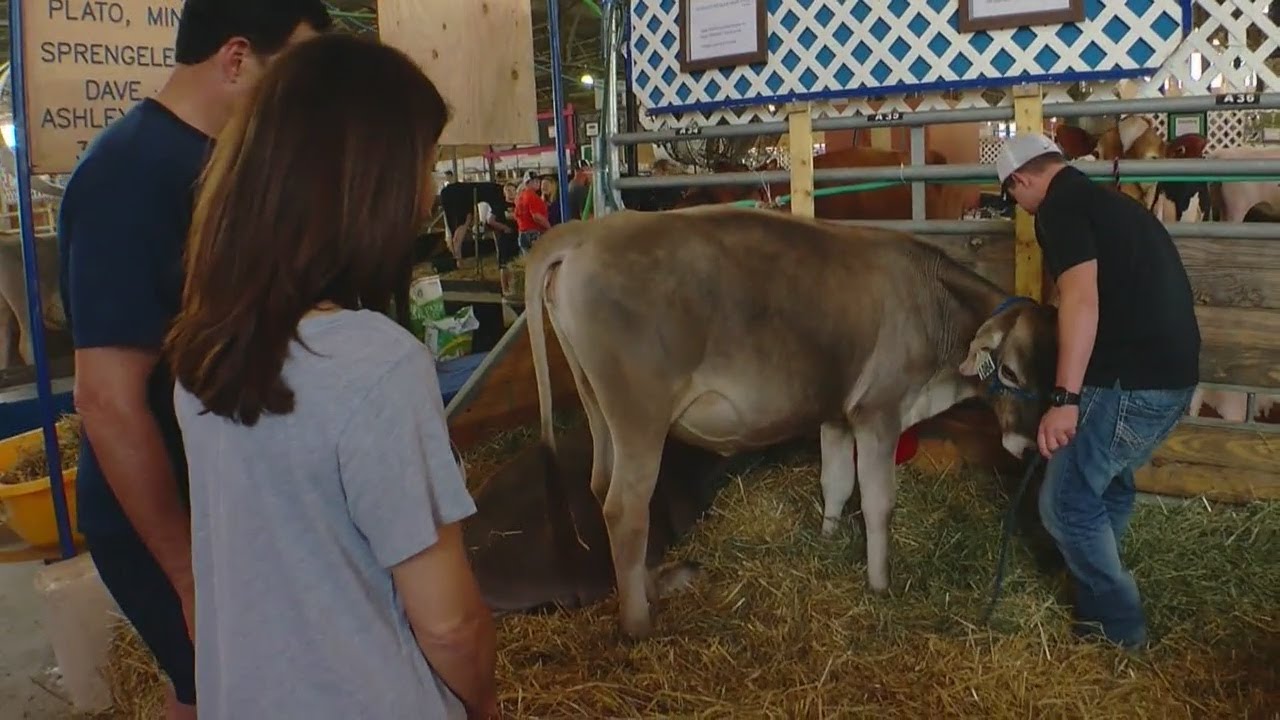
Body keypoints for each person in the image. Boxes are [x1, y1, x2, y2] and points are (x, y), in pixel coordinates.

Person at [165, 33, 498, 720]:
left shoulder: (205, 352)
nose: (429, 193)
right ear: (365, 184)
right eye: (423, 167)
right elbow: (449, 624)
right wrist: (486, 706)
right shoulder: (375, 366)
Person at [56, 3, 332, 717]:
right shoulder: (127, 175)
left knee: (226, 685)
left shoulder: (227, 165)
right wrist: (185, 571)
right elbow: (107, 398)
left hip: (227, 496)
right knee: (220, 686)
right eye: (291, 75)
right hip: (168, 509)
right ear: (236, 59)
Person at [996, 133, 1201, 651]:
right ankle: (1094, 604)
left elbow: (1081, 301)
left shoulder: (1058, 210)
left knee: (1064, 504)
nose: (1017, 208)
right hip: (1171, 375)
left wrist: (1064, 402)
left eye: (1011, 197)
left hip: (1130, 381)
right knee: (1105, 485)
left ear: (1021, 180)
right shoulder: (1107, 202)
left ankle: (1118, 632)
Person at [514, 173, 551, 253]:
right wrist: (549, 227)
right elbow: (536, 216)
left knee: (528, 261)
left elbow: (516, 215)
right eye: (534, 180)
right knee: (539, 260)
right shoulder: (532, 196)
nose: (538, 182)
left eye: (538, 180)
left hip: (522, 233)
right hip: (534, 234)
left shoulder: (520, 197)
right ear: (528, 182)